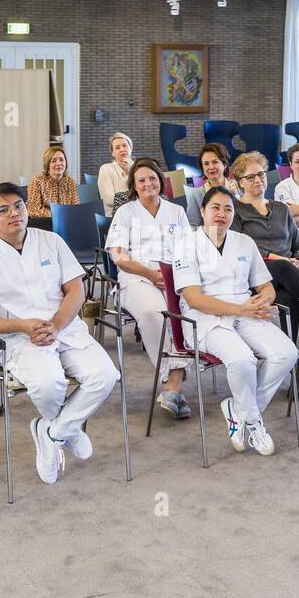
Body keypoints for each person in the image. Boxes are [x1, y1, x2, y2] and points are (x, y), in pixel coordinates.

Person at [0, 182, 119, 485]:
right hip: (21, 339)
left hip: (66, 328)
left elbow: (77, 288)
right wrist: (22, 326)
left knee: (105, 375)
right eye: (3, 210)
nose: (14, 214)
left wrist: (57, 325)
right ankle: (65, 428)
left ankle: (54, 431)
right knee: (48, 383)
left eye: (18, 206)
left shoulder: (51, 241)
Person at [171, 186, 298, 456]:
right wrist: (242, 309)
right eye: (215, 207)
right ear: (203, 211)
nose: (222, 214)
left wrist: (263, 302)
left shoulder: (244, 242)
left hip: (246, 311)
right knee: (242, 360)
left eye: (228, 209)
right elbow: (194, 299)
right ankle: (253, 423)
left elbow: (266, 287)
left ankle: (238, 410)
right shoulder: (186, 245)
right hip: (205, 318)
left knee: (287, 353)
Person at [106, 157, 193, 419]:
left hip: (175, 277)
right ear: (134, 185)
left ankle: (173, 384)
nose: (148, 184)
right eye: (141, 180)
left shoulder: (176, 211)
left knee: (190, 312)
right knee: (154, 313)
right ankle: (172, 380)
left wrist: (173, 276)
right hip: (137, 278)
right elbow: (118, 256)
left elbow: (189, 250)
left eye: (152, 178)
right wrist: (150, 274)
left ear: (161, 181)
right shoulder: (126, 212)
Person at [230, 150, 299, 398]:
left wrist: (296, 259)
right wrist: (280, 259)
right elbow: (238, 246)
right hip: (254, 274)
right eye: (251, 176)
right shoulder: (236, 210)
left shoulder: (281, 209)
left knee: (290, 300)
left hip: (287, 279)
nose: (258, 180)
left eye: (261, 174)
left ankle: (298, 363)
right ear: (240, 182)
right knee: (285, 268)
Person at [26, 144, 79, 231]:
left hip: (66, 222)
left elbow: (75, 207)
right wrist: (57, 214)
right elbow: (33, 210)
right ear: (47, 164)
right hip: (45, 224)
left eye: (61, 160)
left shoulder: (70, 182)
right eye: (53, 161)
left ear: (66, 162)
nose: (58, 163)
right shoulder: (37, 181)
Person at [96, 132, 133, 216]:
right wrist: (137, 200)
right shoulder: (105, 169)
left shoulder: (139, 168)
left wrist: (130, 172)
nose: (122, 149)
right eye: (117, 147)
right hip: (115, 216)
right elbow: (109, 199)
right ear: (113, 153)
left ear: (130, 148)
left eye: (125, 145)